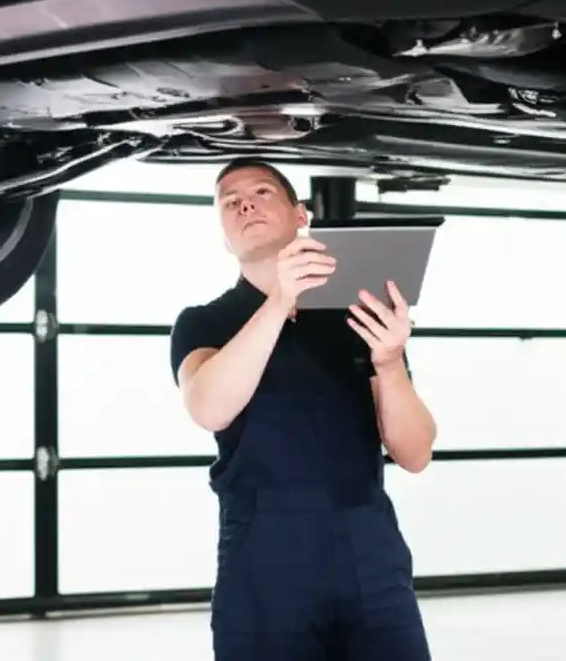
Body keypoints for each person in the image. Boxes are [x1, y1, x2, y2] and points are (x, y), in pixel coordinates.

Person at [169, 158, 438, 661]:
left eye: (261, 191)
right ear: (225, 239)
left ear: (301, 217)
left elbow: (416, 452)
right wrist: (278, 301)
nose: (244, 202)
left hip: (369, 552)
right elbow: (208, 408)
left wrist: (390, 359)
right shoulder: (204, 322)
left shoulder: (360, 316)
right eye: (229, 201)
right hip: (264, 558)